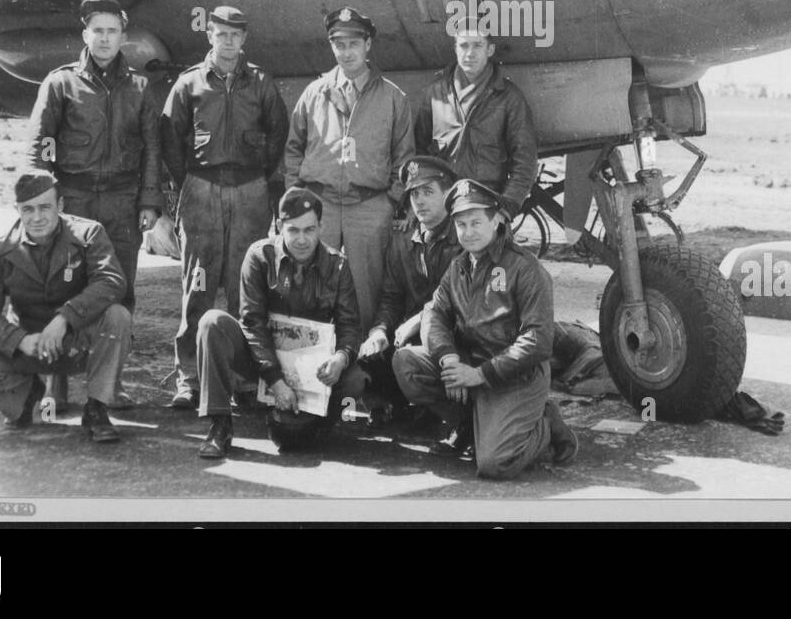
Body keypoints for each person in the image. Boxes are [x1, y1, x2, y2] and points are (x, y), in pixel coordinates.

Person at [24, 0, 161, 409]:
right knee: (63, 290)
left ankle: (107, 387)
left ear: (123, 37)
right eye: (97, 31)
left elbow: (152, 151)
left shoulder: (138, 87)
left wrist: (149, 203)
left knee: (117, 293)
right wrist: (43, 201)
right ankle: (56, 387)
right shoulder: (60, 83)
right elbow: (41, 144)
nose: (104, 39)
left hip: (121, 203)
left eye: (112, 31)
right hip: (74, 201)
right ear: (85, 35)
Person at [392, 179, 577, 479]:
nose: (468, 232)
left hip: (515, 377)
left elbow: (538, 340)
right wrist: (449, 360)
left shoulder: (525, 269)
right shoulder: (460, 267)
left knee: (495, 463)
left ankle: (545, 424)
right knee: (406, 362)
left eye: (476, 222)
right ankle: (470, 424)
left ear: (497, 220)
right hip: (471, 365)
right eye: (461, 225)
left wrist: (478, 375)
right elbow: (434, 312)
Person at [161, 5, 289, 409]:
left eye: (236, 35)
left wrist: (256, 178)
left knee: (243, 288)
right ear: (210, 35)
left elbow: (277, 133)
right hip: (201, 189)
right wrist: (194, 182)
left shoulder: (262, 83)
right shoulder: (188, 85)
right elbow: (171, 138)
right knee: (196, 286)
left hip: (250, 189)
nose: (228, 41)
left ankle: (242, 377)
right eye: (221, 34)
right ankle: (189, 377)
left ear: (244, 39)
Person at [195, 188, 365, 458]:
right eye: (293, 230)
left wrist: (341, 358)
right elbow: (251, 322)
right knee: (212, 323)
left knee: (355, 378)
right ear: (278, 227)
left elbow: (350, 326)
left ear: (321, 228)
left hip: (310, 370)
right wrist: (275, 381)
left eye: (309, 230)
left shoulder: (338, 265)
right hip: (263, 359)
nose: (301, 240)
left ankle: (319, 418)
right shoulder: (259, 256)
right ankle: (220, 424)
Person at [277, 6, 414, 339]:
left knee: (367, 290)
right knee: (309, 286)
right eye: (339, 44)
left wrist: (391, 203)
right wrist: (296, 199)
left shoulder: (393, 98)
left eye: (354, 43)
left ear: (368, 45)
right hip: (318, 206)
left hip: (368, 208)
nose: (346, 51)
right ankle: (311, 368)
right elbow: (294, 148)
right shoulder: (314, 93)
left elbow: (405, 158)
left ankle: (364, 368)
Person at [0, 172, 130, 443]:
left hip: (77, 341)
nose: (36, 217)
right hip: (30, 344)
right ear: (16, 210)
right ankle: (25, 396)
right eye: (27, 209)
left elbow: (111, 281)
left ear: (61, 206)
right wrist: (20, 340)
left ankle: (97, 407)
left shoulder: (88, 233)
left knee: (118, 316)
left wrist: (65, 318)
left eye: (45, 207)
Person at [355, 155, 463, 422]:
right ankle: (395, 406)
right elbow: (391, 297)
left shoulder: (464, 239)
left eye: (428, 192)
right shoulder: (404, 240)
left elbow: (459, 303)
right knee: (369, 354)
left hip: (451, 338)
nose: (419, 201)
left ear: (449, 193)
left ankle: (450, 415)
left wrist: (421, 319)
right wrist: (379, 331)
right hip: (410, 338)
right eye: (414, 194)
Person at [414, 27, 538, 220]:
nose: (470, 53)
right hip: (443, 209)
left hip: (487, 209)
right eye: (463, 45)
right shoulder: (434, 94)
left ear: (490, 50)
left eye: (477, 45)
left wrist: (506, 209)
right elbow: (418, 154)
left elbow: (525, 162)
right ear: (455, 49)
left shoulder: (509, 98)